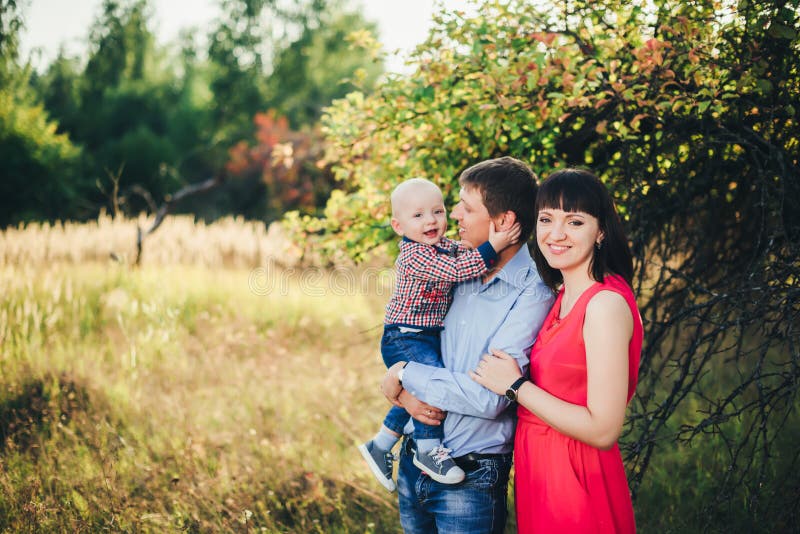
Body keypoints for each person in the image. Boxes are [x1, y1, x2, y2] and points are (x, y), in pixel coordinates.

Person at [380, 157, 554, 534]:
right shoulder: (456, 266)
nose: (454, 213)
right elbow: (411, 337)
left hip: (471, 475)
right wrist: (405, 393)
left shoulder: (532, 293)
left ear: (503, 222)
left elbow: (491, 398)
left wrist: (405, 376)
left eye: (466, 206)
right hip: (414, 460)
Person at [470, 168, 642, 533]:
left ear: (601, 232)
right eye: (547, 219)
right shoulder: (560, 295)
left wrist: (516, 387)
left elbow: (603, 428)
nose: (556, 234)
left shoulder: (604, 305)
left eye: (575, 221)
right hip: (542, 474)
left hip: (578, 479)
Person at [359, 177, 522, 491]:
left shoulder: (441, 245)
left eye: (438, 211)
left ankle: (380, 446)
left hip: (424, 334)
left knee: (419, 392)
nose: (431, 220)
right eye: (418, 216)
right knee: (433, 384)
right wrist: (495, 245)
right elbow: (460, 270)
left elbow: (461, 253)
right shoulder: (415, 255)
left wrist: (479, 243)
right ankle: (428, 450)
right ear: (398, 225)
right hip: (405, 336)